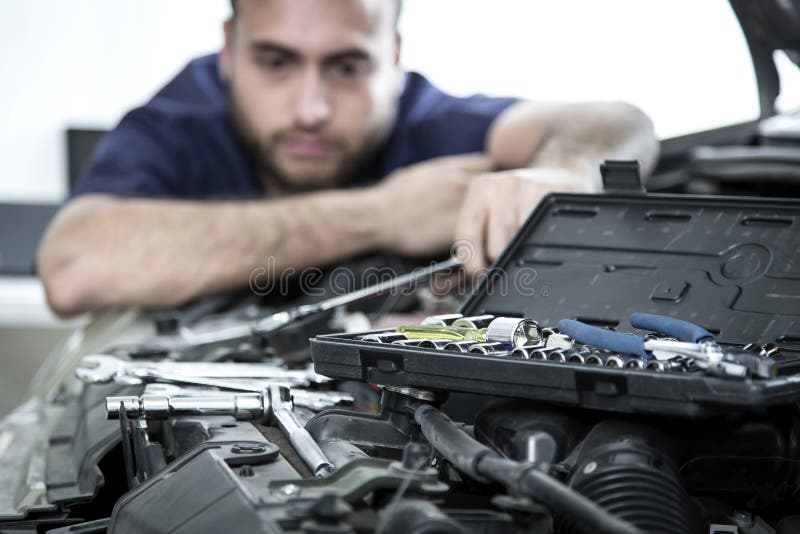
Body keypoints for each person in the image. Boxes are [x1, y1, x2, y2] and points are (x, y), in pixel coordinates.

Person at [37, 0, 658, 317]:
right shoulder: (182, 120)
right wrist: (381, 214)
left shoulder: (428, 118)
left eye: (347, 66)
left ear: (393, 55)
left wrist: (562, 175)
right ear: (229, 49)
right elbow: (73, 270)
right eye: (275, 62)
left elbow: (615, 122)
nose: (310, 108)